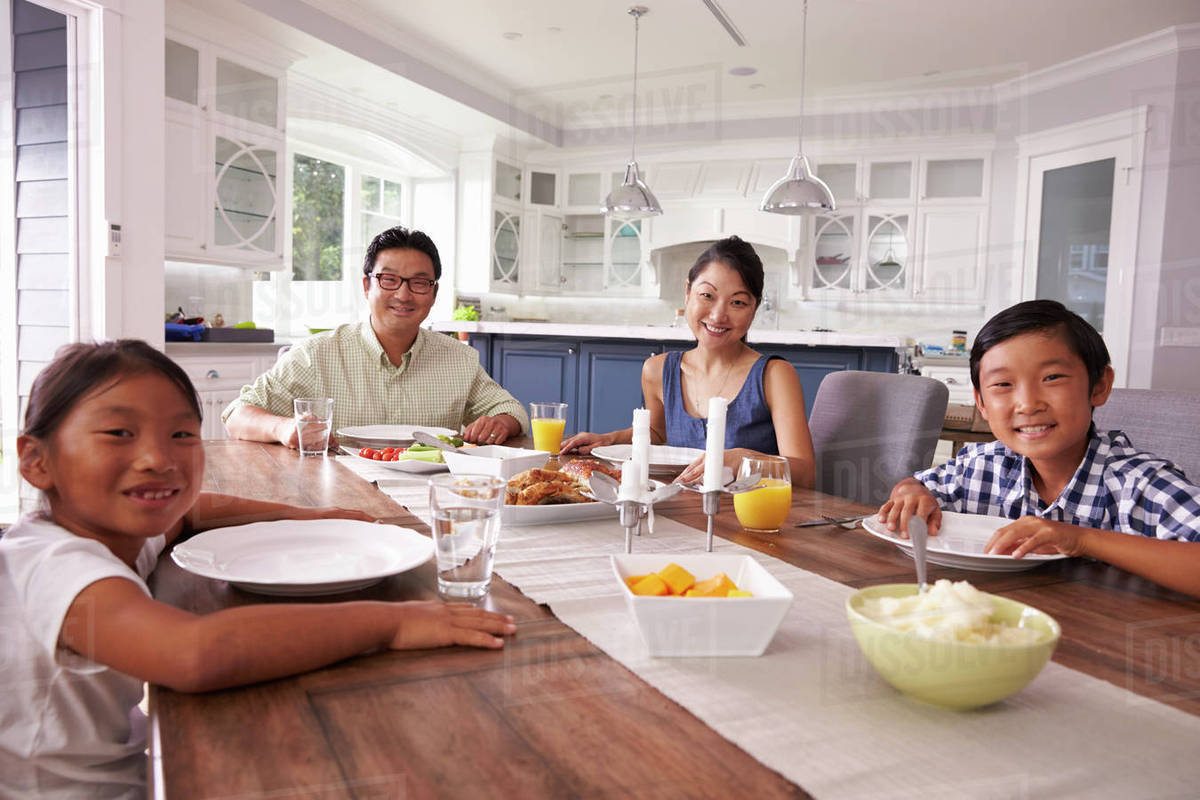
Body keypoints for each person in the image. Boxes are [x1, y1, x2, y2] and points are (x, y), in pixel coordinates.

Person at [2, 340, 517, 796]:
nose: (157, 458)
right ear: (36, 461)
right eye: (119, 433)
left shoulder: (109, 527)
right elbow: (195, 654)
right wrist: (394, 622)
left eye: (182, 434)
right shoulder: (53, 563)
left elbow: (194, 511)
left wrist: (319, 517)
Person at [877, 300, 1200, 597]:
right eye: (1003, 385)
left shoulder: (1139, 484)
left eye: (1052, 377)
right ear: (982, 403)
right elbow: (918, 488)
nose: (1028, 404)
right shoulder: (983, 466)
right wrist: (909, 493)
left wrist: (1080, 539)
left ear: (1099, 385)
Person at [223, 226, 528, 447]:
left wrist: (499, 423)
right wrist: (284, 427)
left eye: (419, 283)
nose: (403, 294)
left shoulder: (458, 358)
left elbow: (513, 411)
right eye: (389, 280)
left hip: (432, 494)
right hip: (338, 495)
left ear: (433, 294)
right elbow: (238, 414)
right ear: (367, 286)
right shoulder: (315, 355)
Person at [560, 236, 815, 487]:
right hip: (679, 511)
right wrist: (609, 439)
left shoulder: (774, 375)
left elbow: (805, 473)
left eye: (737, 302)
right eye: (707, 295)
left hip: (752, 517)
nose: (718, 315)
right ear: (688, 292)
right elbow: (658, 435)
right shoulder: (657, 371)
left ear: (754, 309)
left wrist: (746, 460)